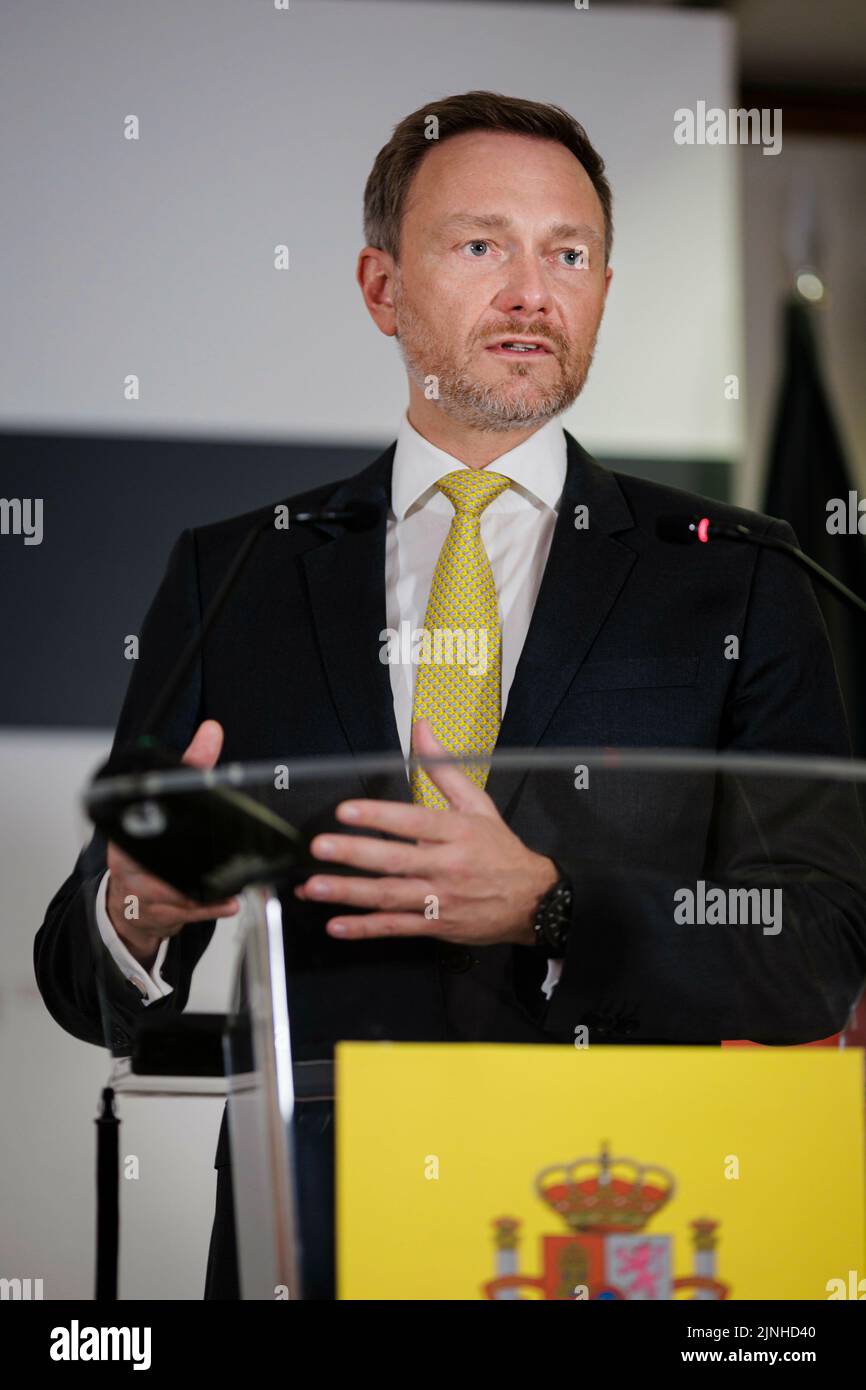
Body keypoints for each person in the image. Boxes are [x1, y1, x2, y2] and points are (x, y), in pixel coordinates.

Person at [35, 91, 866, 1300]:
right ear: (380, 287)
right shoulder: (243, 571)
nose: (533, 291)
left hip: (615, 1227)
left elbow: (818, 945)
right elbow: (75, 965)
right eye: (482, 246)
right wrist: (138, 903)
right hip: (313, 1237)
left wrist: (554, 905)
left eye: (567, 254)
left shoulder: (738, 572)